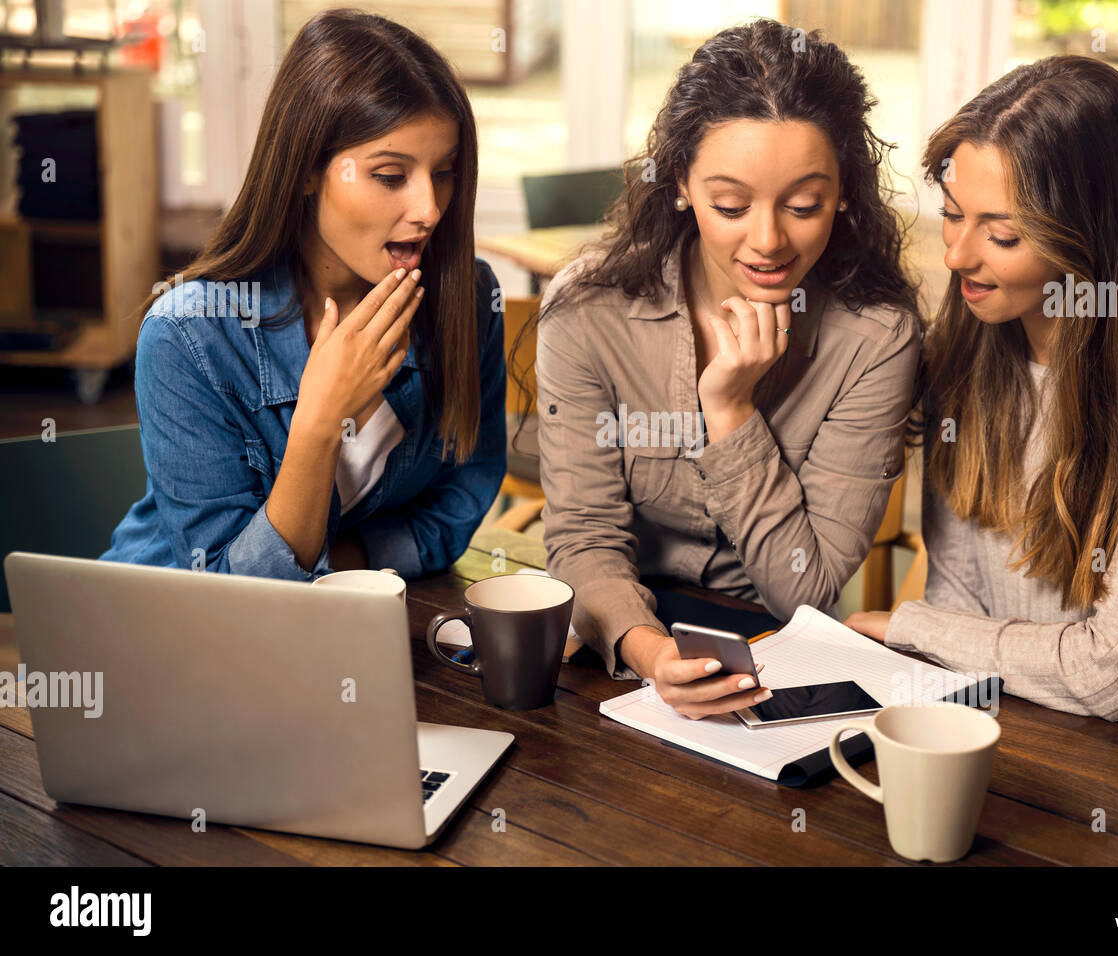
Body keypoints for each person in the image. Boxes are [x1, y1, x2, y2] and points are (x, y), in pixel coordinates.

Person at [844, 55, 1118, 866]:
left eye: (1002, 234)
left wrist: (911, 628)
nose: (957, 256)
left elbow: (1117, 679)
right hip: (1016, 719)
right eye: (951, 214)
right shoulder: (966, 357)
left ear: (1093, 239)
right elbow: (962, 597)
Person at [532, 19, 921, 718]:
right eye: (731, 205)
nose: (768, 241)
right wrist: (653, 654)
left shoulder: (875, 336)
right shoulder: (590, 310)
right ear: (680, 182)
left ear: (844, 192)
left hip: (778, 643)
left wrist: (733, 412)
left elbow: (805, 589)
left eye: (804, 205)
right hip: (617, 633)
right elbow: (583, 535)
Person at [102, 9, 505, 581]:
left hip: (341, 618)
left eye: (444, 172)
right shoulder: (187, 336)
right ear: (306, 171)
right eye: (391, 176)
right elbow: (231, 593)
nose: (429, 210)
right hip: (164, 630)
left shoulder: (465, 298)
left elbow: (459, 503)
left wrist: (332, 568)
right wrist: (319, 418)